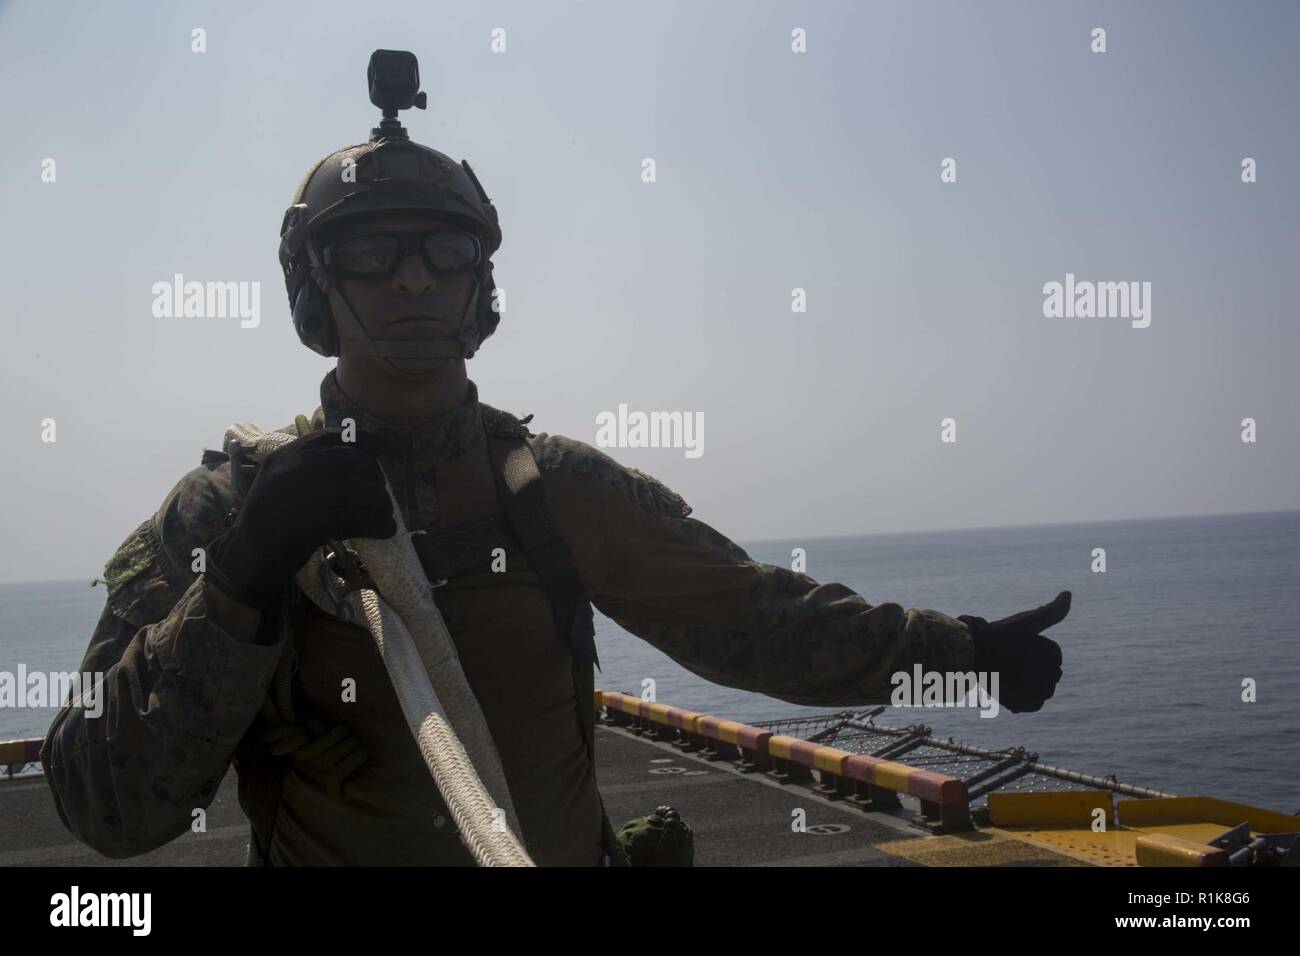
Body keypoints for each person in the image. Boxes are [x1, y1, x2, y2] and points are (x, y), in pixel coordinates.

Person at [41, 50, 1067, 867]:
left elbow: (758, 622)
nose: (411, 280)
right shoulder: (224, 513)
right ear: (314, 289)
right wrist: (242, 582)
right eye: (369, 251)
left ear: (479, 284)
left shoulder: (557, 491)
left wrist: (961, 650)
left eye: (443, 250)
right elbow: (104, 806)